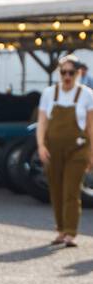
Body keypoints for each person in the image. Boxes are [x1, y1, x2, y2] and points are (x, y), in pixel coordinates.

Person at [37, 53, 93, 248]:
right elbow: (42, 122)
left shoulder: (87, 94)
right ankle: (60, 230)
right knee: (56, 190)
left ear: (78, 73)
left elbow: (91, 127)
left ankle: (70, 232)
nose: (67, 76)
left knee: (71, 190)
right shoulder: (49, 93)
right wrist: (41, 145)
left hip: (78, 149)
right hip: (53, 148)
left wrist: (91, 154)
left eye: (71, 72)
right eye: (63, 72)